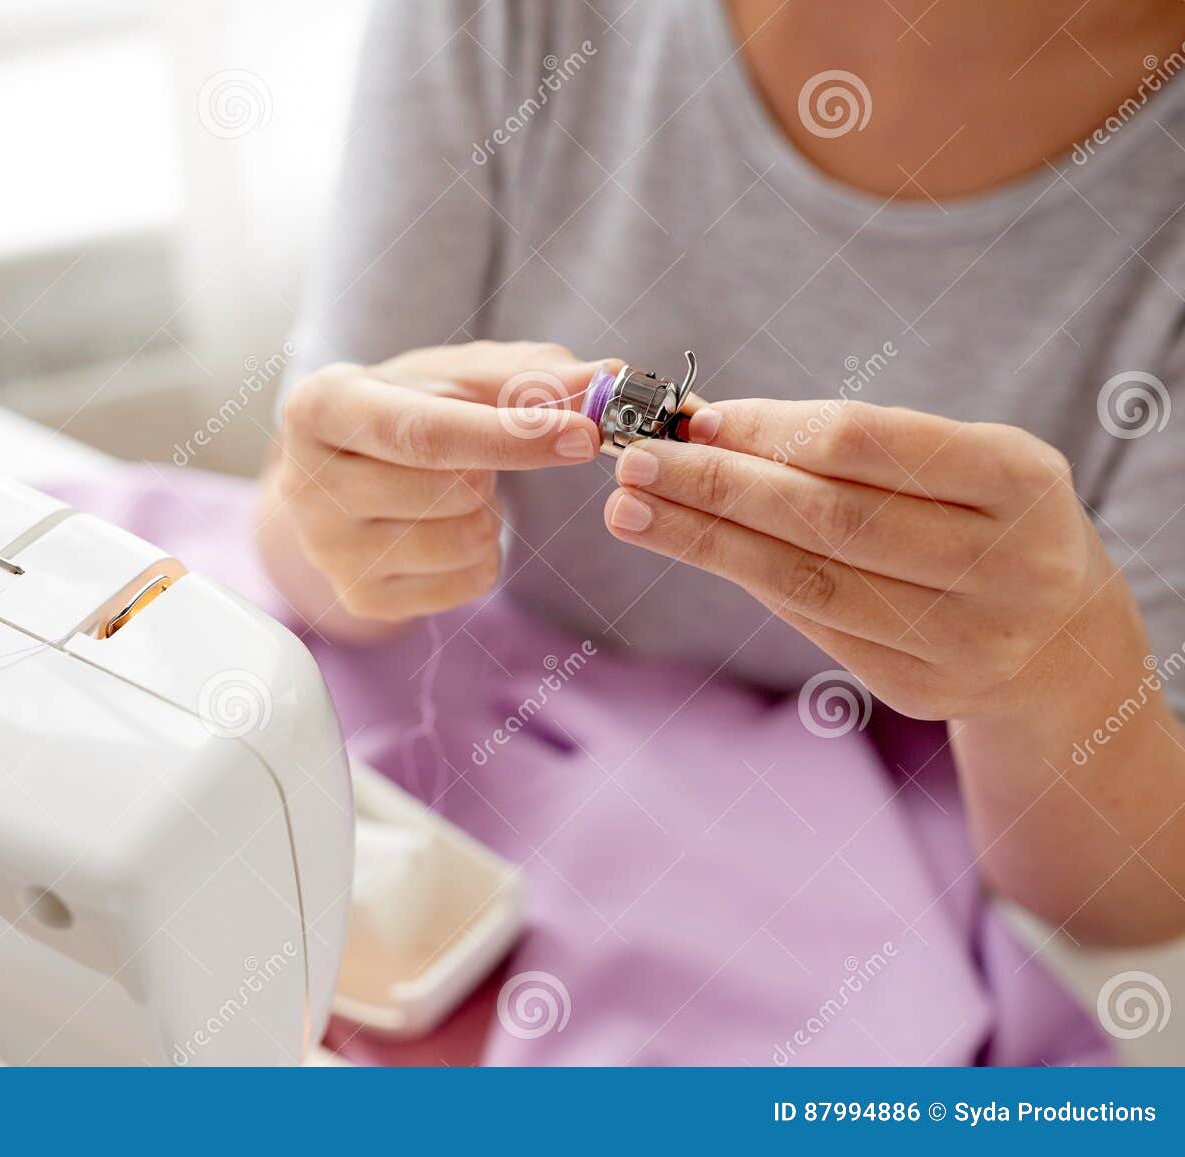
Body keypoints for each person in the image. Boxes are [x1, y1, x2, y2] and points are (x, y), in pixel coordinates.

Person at [257, 0, 1185, 954]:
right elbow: (307, 530)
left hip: (850, 914)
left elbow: (1127, 901)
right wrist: (350, 517)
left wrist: (1059, 671)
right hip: (464, 796)